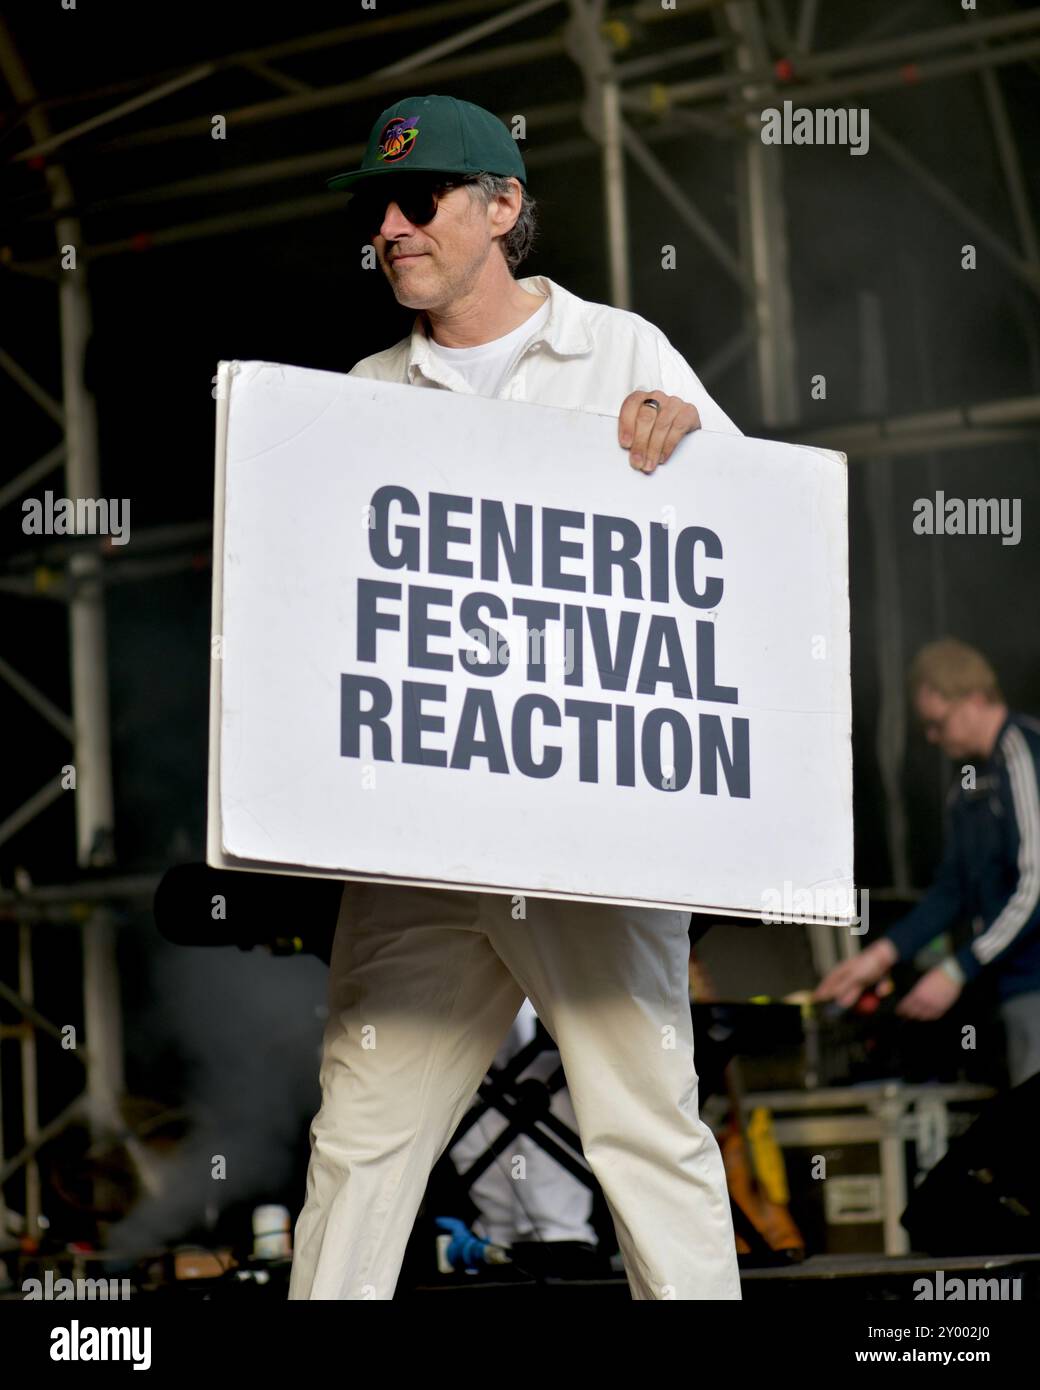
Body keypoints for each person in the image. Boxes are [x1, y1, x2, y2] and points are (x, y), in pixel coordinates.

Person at [288, 93, 742, 1302]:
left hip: (587, 848)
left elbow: (750, 550)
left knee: (645, 1138)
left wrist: (693, 446)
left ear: (502, 207)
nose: (387, 225)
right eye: (374, 206)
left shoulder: (624, 354)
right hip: (419, 854)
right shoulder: (360, 392)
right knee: (357, 1149)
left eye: (418, 197)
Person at [814, 639, 1040, 1088]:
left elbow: (1035, 887)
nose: (934, 738)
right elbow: (950, 891)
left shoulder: (1025, 753)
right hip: (1002, 991)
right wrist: (879, 957)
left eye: (938, 724)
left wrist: (959, 969)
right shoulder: (967, 783)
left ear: (975, 699)